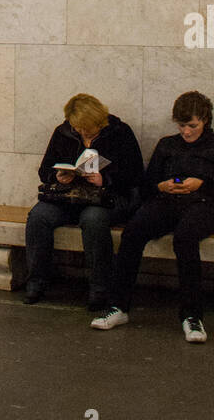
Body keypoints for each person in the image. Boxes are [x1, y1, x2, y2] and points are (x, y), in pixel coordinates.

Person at [91, 89, 214, 343]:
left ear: (205, 120)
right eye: (182, 125)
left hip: (203, 206)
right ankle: (118, 306)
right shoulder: (167, 145)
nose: (186, 132)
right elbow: (145, 185)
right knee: (133, 231)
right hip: (166, 202)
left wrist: (203, 184)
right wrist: (161, 186)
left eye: (192, 126)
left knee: (184, 238)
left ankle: (192, 316)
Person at [24, 94, 143, 308]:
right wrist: (58, 176)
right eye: (78, 128)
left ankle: (99, 287)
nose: (82, 133)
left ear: (99, 122)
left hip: (107, 198)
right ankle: (36, 281)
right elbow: (45, 170)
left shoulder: (120, 133)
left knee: (93, 219)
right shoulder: (63, 132)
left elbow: (135, 174)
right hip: (70, 196)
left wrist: (105, 179)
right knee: (38, 216)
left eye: (87, 129)